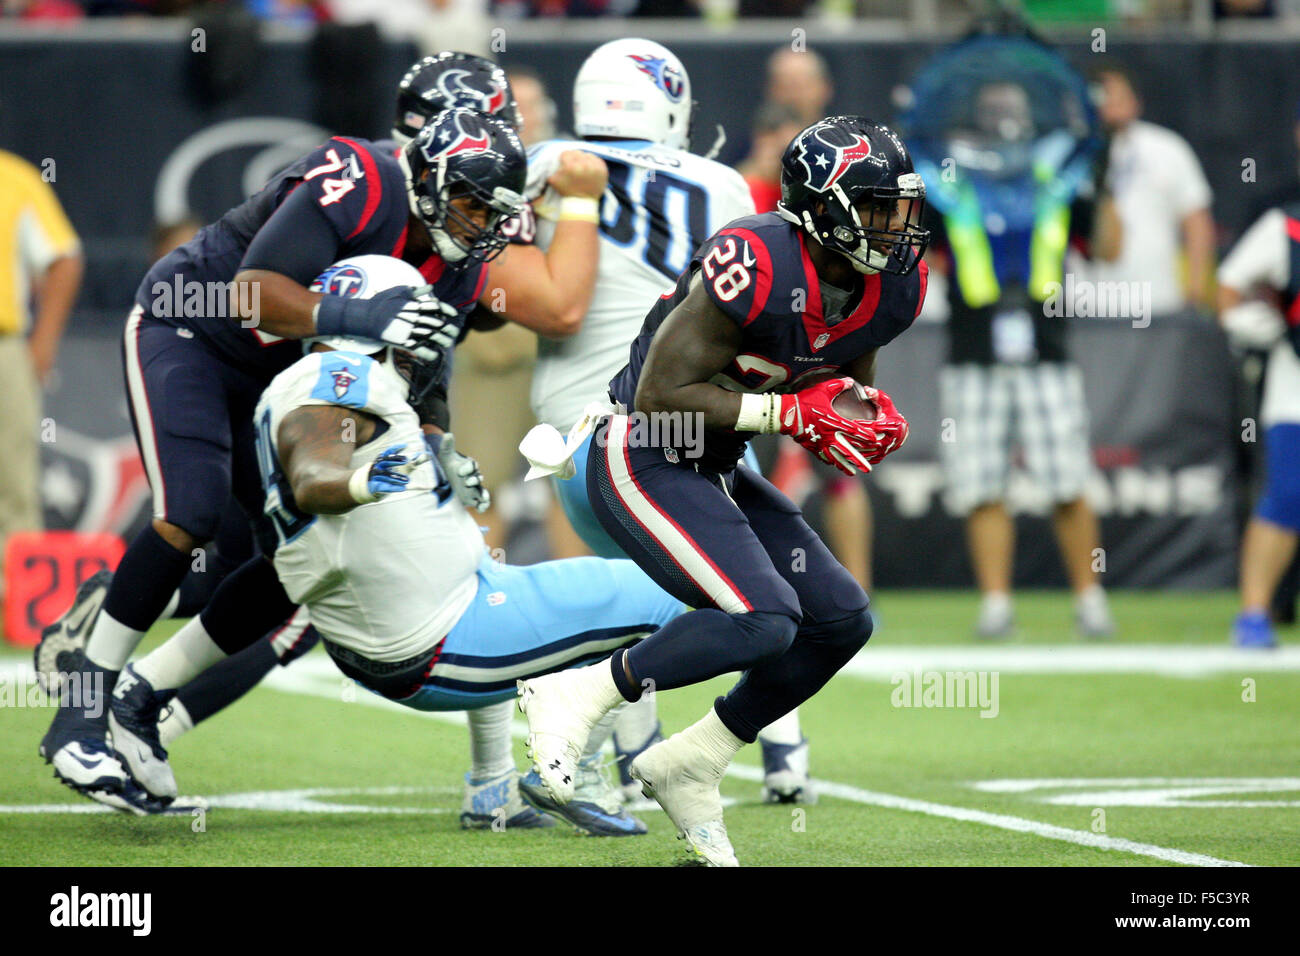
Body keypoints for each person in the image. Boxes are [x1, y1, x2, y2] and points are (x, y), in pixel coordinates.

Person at [37, 106, 519, 814]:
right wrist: (360, 316)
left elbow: (424, 372)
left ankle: (141, 701)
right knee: (191, 511)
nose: (480, 224)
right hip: (191, 334)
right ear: (428, 179)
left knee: (300, 559)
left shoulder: (455, 274)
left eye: (493, 213)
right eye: (472, 203)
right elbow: (251, 291)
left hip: (277, 383)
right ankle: (78, 716)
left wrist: (438, 443)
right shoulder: (363, 181)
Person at [109, 254, 682, 833]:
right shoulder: (341, 378)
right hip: (435, 643)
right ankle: (575, 765)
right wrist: (357, 482)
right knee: (667, 593)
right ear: (370, 324)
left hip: (429, 621)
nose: (427, 347)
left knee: (507, 580)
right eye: (416, 325)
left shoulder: (312, 384)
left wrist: (427, 467)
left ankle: (491, 789)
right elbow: (314, 474)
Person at [517, 116, 928, 865]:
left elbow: (834, 381)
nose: (893, 227)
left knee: (839, 621)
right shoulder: (756, 257)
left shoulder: (893, 284)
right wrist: (787, 411)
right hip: (637, 447)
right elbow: (659, 394)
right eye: (874, 207)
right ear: (822, 204)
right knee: (764, 619)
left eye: (899, 208)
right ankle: (577, 692)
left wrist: (851, 416)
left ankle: (694, 759)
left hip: (715, 464)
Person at [515, 38, 818, 804]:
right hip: (691, 414)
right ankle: (781, 749)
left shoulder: (546, 162)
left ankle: (627, 759)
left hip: (578, 424)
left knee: (629, 587)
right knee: (755, 582)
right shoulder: (718, 181)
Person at [922, 77, 1115, 639]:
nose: (1001, 118)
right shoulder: (951, 183)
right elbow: (917, 255)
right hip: (972, 349)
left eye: (1010, 107)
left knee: (1068, 477)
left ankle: (1090, 598)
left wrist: (1104, 184)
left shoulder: (1056, 178)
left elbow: (1107, 248)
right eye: (990, 108)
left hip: (1045, 349)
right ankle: (997, 603)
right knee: (981, 483)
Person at [0, 147, 83, 593]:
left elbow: (63, 256)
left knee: (12, 481)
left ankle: (18, 600)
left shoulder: (13, 177)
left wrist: (43, 343)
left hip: (3, 348)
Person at [1218, 200, 1300, 647]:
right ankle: (1253, 614)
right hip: (1295, 390)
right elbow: (1228, 289)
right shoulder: (1286, 227)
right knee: (1287, 497)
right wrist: (1259, 327)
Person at [1090, 66, 1216, 316]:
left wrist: (1196, 290)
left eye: (1119, 99)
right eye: (1103, 100)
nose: (1111, 109)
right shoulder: (1066, 154)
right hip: (1086, 306)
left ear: (1136, 102)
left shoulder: (1167, 149)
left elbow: (1197, 222)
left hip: (1157, 303)